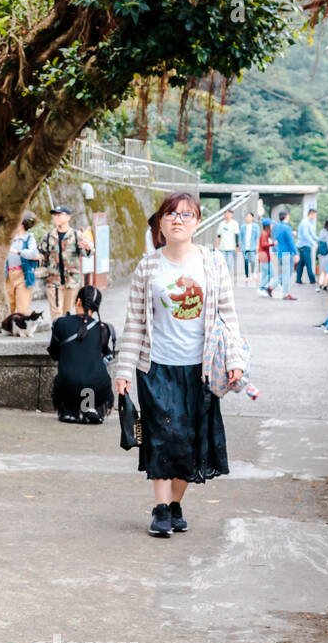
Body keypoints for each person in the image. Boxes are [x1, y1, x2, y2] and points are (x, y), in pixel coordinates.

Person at [115, 191, 244, 538]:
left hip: (199, 368)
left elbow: (227, 318)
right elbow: (135, 324)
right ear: (160, 222)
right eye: (170, 214)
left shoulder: (213, 264)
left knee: (190, 441)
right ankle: (159, 509)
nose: (177, 220)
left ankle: (174, 504)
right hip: (155, 366)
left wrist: (234, 360)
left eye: (186, 215)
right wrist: (124, 370)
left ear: (197, 223)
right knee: (161, 436)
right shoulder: (148, 267)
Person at [48, 283, 115, 424]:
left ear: (78, 301)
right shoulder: (103, 329)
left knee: (68, 379)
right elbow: (106, 355)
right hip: (98, 387)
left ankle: (69, 412)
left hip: (68, 385)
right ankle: (90, 408)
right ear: (96, 307)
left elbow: (54, 354)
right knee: (90, 380)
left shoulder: (61, 323)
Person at [39, 205, 92, 321]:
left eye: (59, 214)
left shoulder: (76, 235)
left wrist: (88, 248)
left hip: (72, 281)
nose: (56, 217)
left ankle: (66, 336)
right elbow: (42, 255)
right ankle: (57, 336)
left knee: (67, 312)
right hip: (53, 281)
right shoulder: (48, 237)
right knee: (56, 313)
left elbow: (87, 253)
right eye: (54, 215)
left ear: (68, 217)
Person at [5, 212, 41, 316]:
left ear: (21, 224)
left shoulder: (29, 238)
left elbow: (33, 253)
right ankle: (9, 329)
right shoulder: (9, 238)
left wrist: (18, 251)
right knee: (8, 307)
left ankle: (23, 331)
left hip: (23, 275)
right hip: (8, 275)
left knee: (22, 307)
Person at [271, 209, 298, 300]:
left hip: (279, 251)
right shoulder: (287, 227)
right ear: (286, 216)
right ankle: (284, 292)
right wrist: (296, 253)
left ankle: (272, 287)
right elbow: (290, 242)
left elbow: (276, 237)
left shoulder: (276, 226)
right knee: (287, 273)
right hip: (287, 252)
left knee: (286, 273)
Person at [215, 207, 241, 284]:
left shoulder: (235, 223)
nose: (227, 215)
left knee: (229, 263)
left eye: (229, 213)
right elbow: (219, 236)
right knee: (221, 263)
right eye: (225, 213)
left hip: (231, 247)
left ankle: (227, 278)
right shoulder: (221, 224)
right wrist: (216, 246)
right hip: (222, 247)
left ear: (232, 214)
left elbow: (236, 235)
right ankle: (222, 277)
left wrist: (237, 245)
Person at [295, 208, 318, 284]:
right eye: (315, 215)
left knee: (301, 264)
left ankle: (298, 280)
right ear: (311, 214)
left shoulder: (308, 222)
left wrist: (319, 240)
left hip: (303, 246)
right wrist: (313, 243)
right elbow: (306, 235)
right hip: (304, 246)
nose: (315, 217)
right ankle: (312, 280)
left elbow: (312, 235)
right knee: (308, 263)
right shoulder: (305, 223)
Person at [240, 211, 260, 283]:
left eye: (250, 216)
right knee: (246, 261)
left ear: (252, 217)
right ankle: (246, 276)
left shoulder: (255, 226)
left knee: (253, 260)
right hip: (244, 247)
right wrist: (239, 245)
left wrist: (258, 246)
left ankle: (253, 272)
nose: (248, 218)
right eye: (247, 216)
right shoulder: (243, 226)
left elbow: (257, 237)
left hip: (253, 246)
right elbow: (240, 237)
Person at [257, 218, 275, 296]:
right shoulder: (264, 233)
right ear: (267, 226)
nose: (272, 225)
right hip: (264, 256)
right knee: (272, 273)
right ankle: (261, 287)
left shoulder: (265, 233)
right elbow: (264, 244)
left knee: (265, 274)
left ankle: (262, 288)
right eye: (271, 224)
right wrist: (273, 244)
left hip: (263, 255)